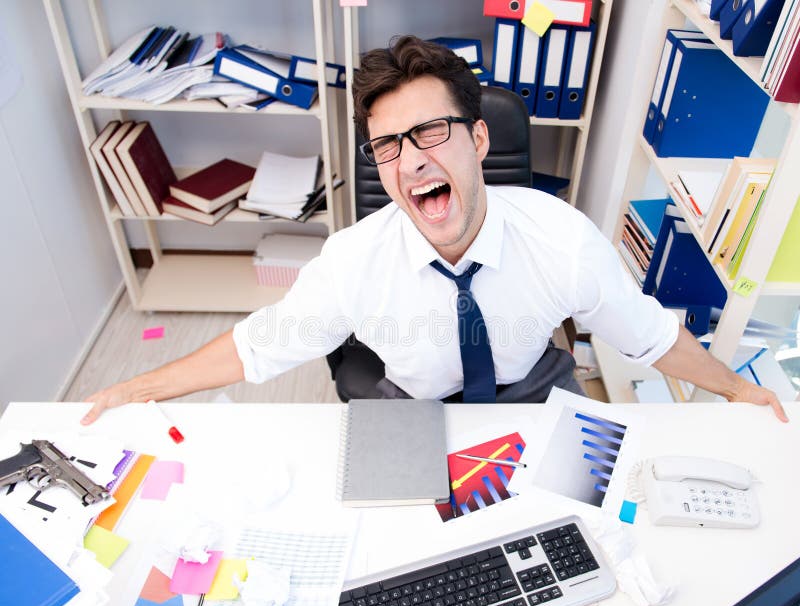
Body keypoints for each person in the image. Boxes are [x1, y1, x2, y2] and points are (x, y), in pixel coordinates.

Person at [81, 36, 787, 424]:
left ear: (480, 140)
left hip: (534, 394)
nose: (412, 158)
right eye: (388, 144)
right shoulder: (352, 260)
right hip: (412, 410)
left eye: (432, 132)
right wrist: (132, 390)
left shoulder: (561, 239)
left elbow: (650, 334)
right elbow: (256, 347)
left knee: (580, 544)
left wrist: (737, 390)